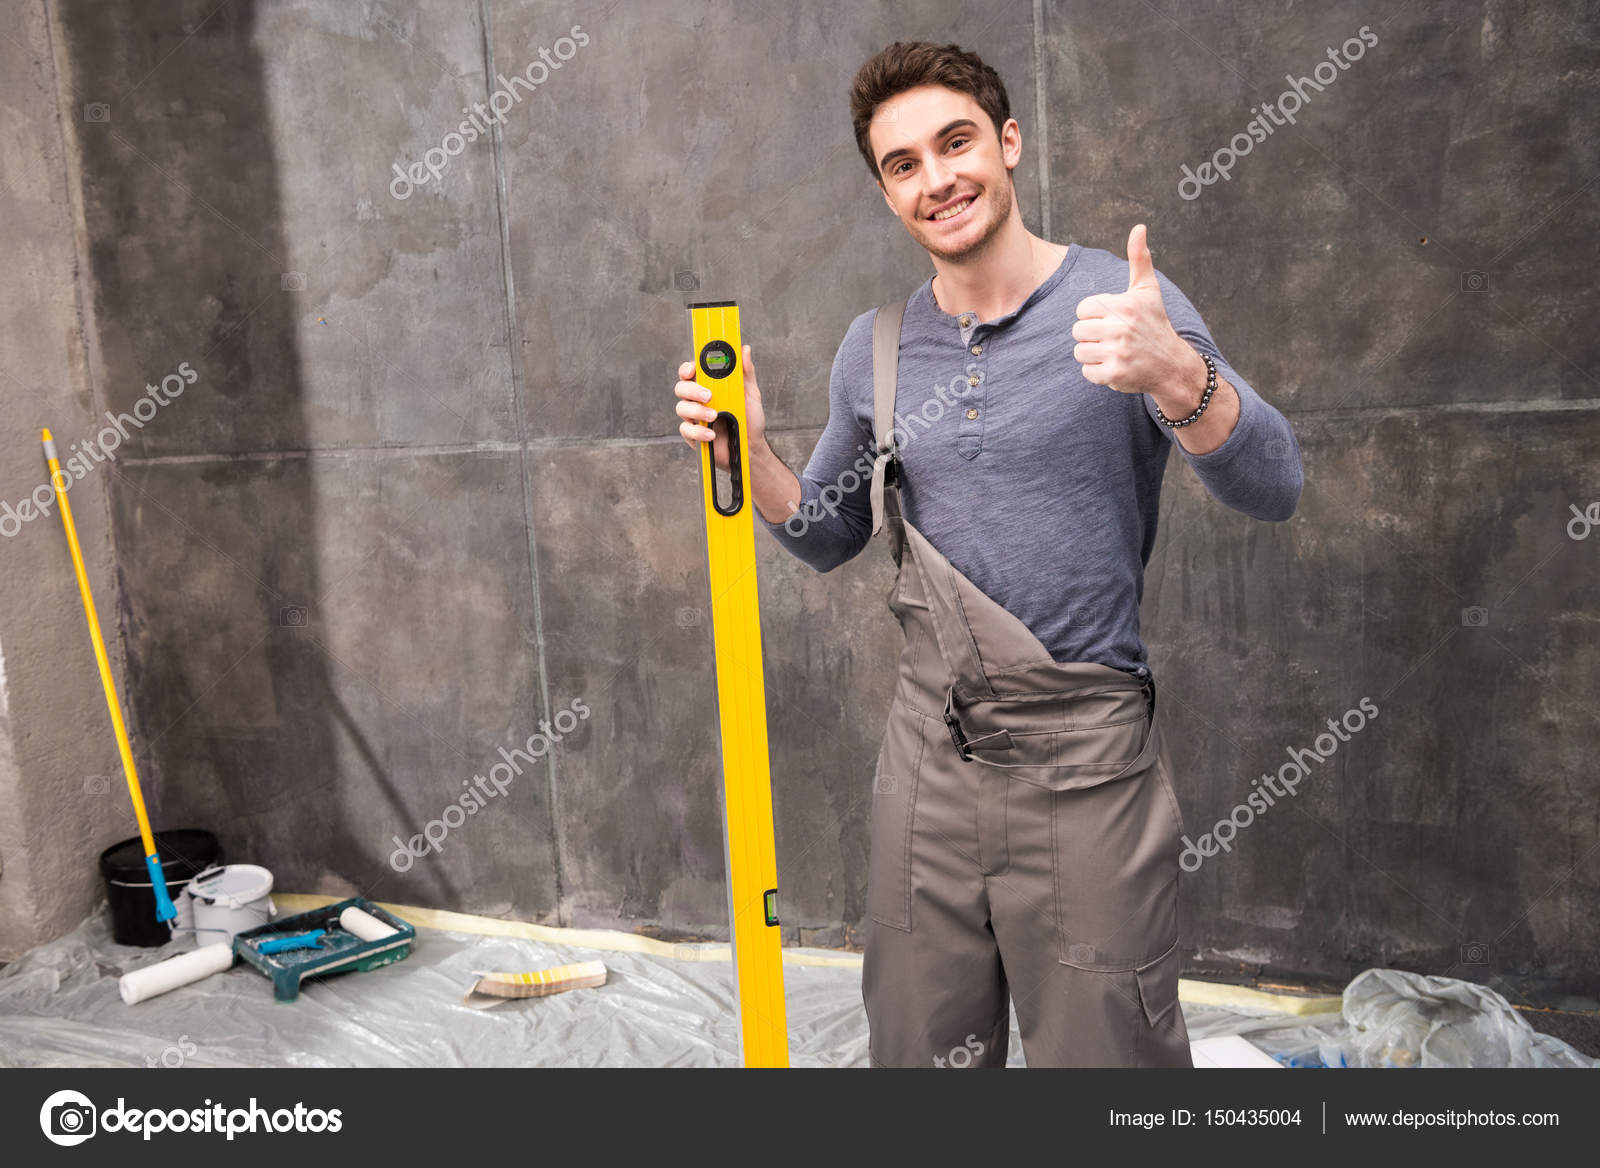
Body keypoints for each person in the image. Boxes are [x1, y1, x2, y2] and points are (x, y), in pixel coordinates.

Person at [671, 40, 1302, 1067]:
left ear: (1007, 144)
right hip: (926, 763)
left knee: (1109, 1062)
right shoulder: (872, 347)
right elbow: (828, 532)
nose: (937, 179)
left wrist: (1181, 378)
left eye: (955, 142)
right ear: (886, 193)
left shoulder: (1120, 306)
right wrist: (756, 451)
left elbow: (1274, 486)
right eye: (903, 164)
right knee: (922, 1054)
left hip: (1087, 766)